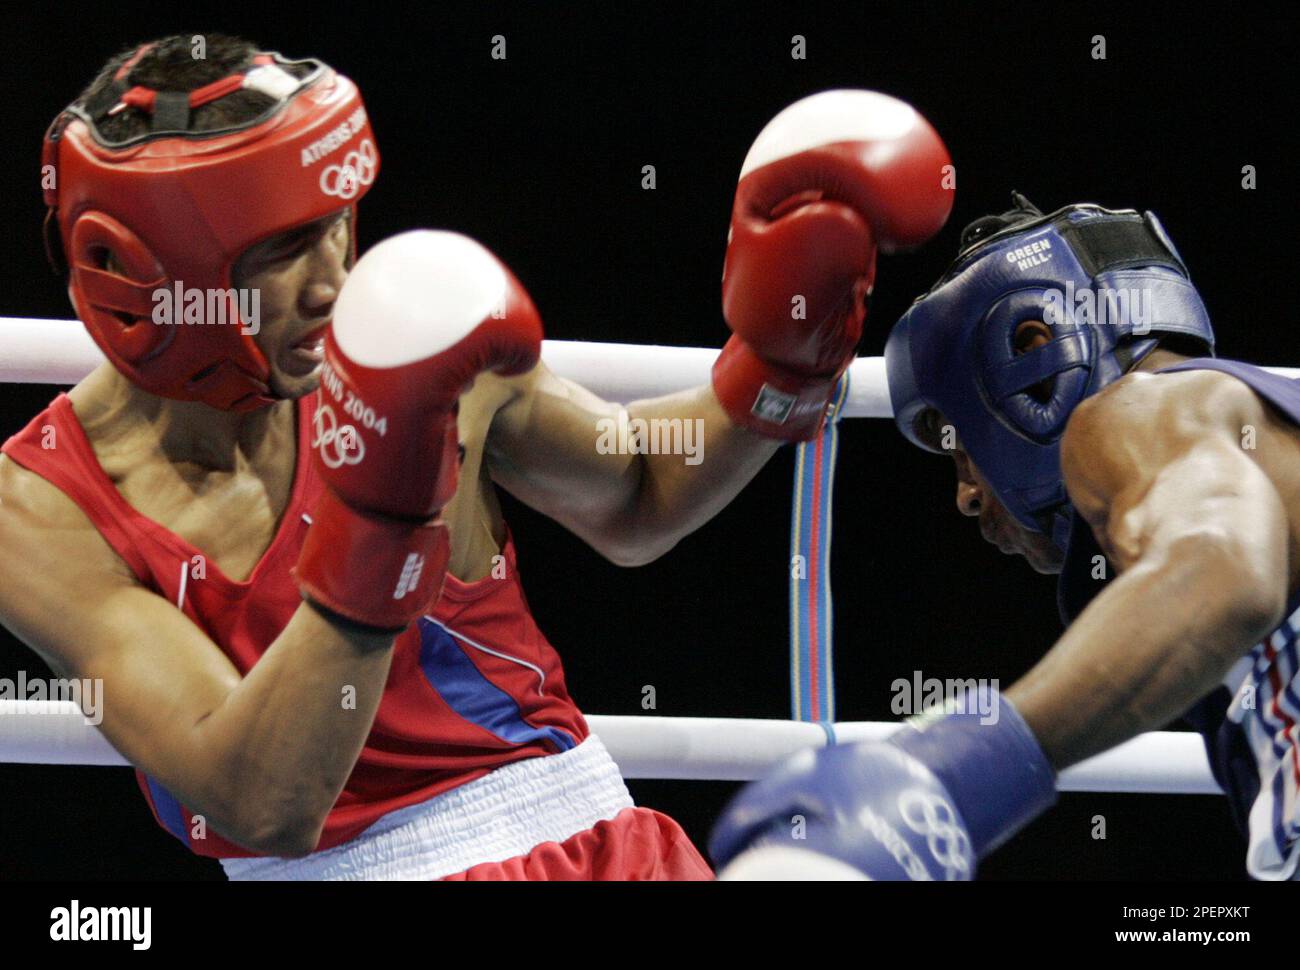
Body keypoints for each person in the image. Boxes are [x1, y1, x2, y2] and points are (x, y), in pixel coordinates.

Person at [0, 35, 951, 878]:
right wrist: (382, 521)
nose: (334, 279)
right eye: (285, 246)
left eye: (338, 222)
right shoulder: (39, 513)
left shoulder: (412, 337)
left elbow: (638, 489)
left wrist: (777, 362)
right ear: (148, 271)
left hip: (604, 847)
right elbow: (263, 803)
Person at [711, 194, 1300, 881]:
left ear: (1035, 352)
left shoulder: (1138, 411)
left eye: (956, 442)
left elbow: (1227, 572)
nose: (966, 495)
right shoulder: (1245, 424)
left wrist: (949, 775)